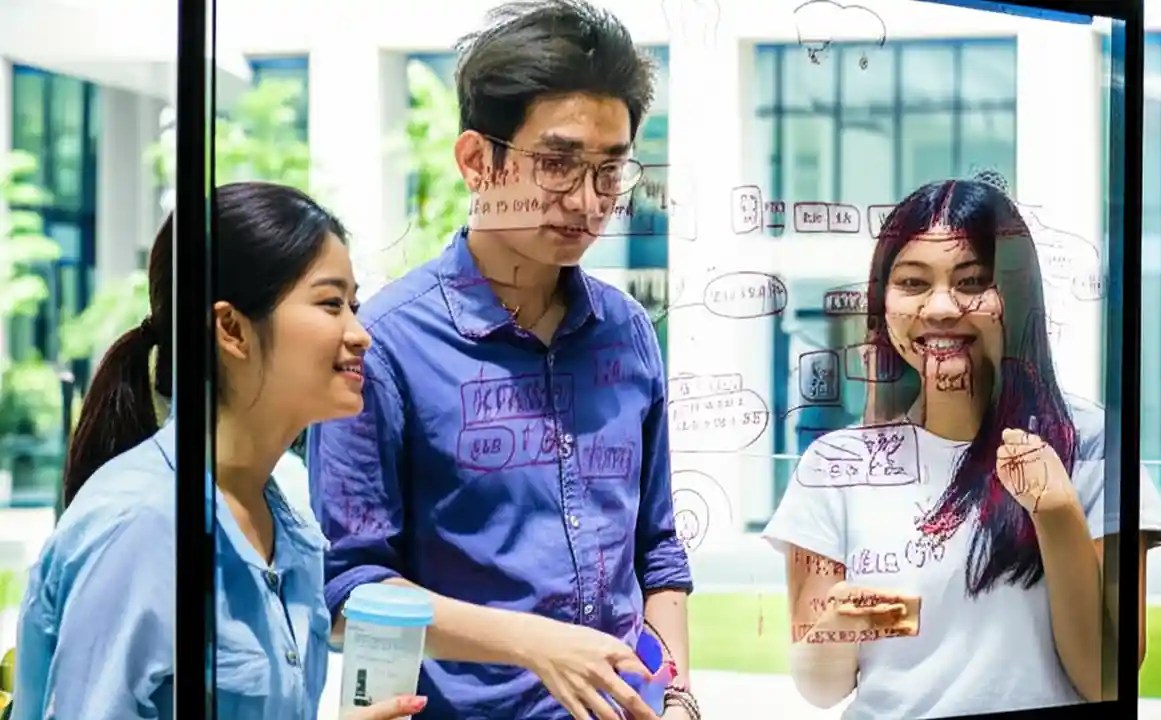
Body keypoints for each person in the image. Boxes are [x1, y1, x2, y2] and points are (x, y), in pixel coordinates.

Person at [306, 2, 696, 719]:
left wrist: (677, 698)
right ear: (476, 161)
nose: (587, 201)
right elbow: (350, 592)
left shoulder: (627, 331)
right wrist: (533, 644)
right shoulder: (386, 343)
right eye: (556, 164)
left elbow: (659, 554)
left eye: (610, 171)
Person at [10, 182, 427, 720]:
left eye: (354, 304)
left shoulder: (291, 521)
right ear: (231, 328)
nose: (360, 333)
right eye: (330, 304)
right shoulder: (143, 525)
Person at [762, 179, 1161, 719]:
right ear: (883, 302)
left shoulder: (1092, 444)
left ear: (1016, 295)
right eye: (912, 283)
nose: (939, 307)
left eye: (972, 282)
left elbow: (1107, 679)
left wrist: (1056, 513)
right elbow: (821, 690)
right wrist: (842, 622)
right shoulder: (835, 464)